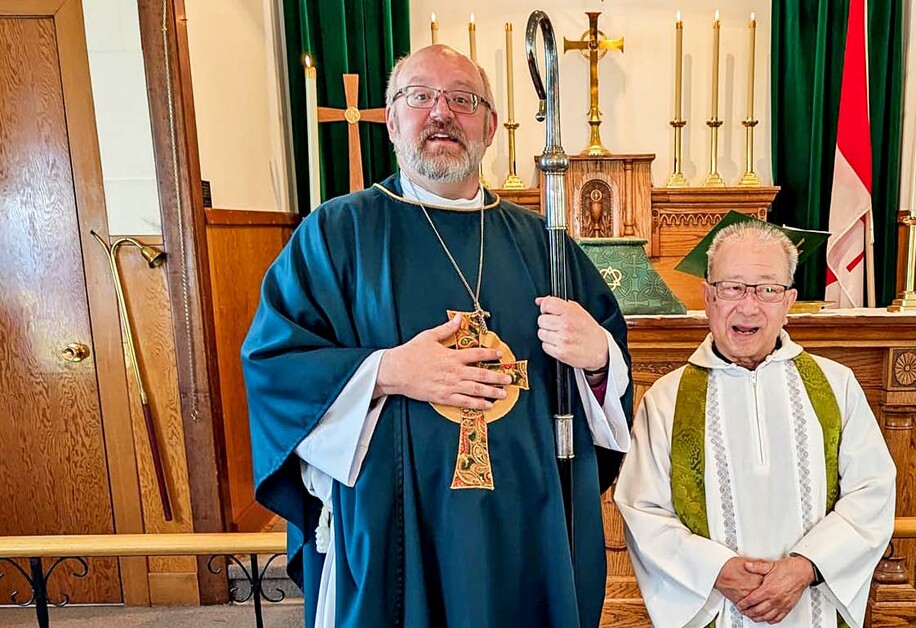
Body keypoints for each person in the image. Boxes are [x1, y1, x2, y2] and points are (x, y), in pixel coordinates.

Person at [241, 45, 633, 628]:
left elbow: (605, 374)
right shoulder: (338, 233)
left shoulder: (545, 244)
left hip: (527, 524)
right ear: (391, 119)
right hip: (396, 526)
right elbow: (275, 365)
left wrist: (598, 357)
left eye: (463, 99)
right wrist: (388, 371)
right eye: (420, 96)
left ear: (491, 127)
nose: (441, 113)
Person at [614, 221, 896, 628]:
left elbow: (872, 490)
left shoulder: (837, 386)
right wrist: (717, 570)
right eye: (732, 287)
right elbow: (643, 509)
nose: (748, 307)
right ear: (708, 297)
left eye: (767, 290)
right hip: (717, 605)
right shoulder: (667, 399)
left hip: (809, 604)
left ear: (789, 302)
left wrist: (806, 566)